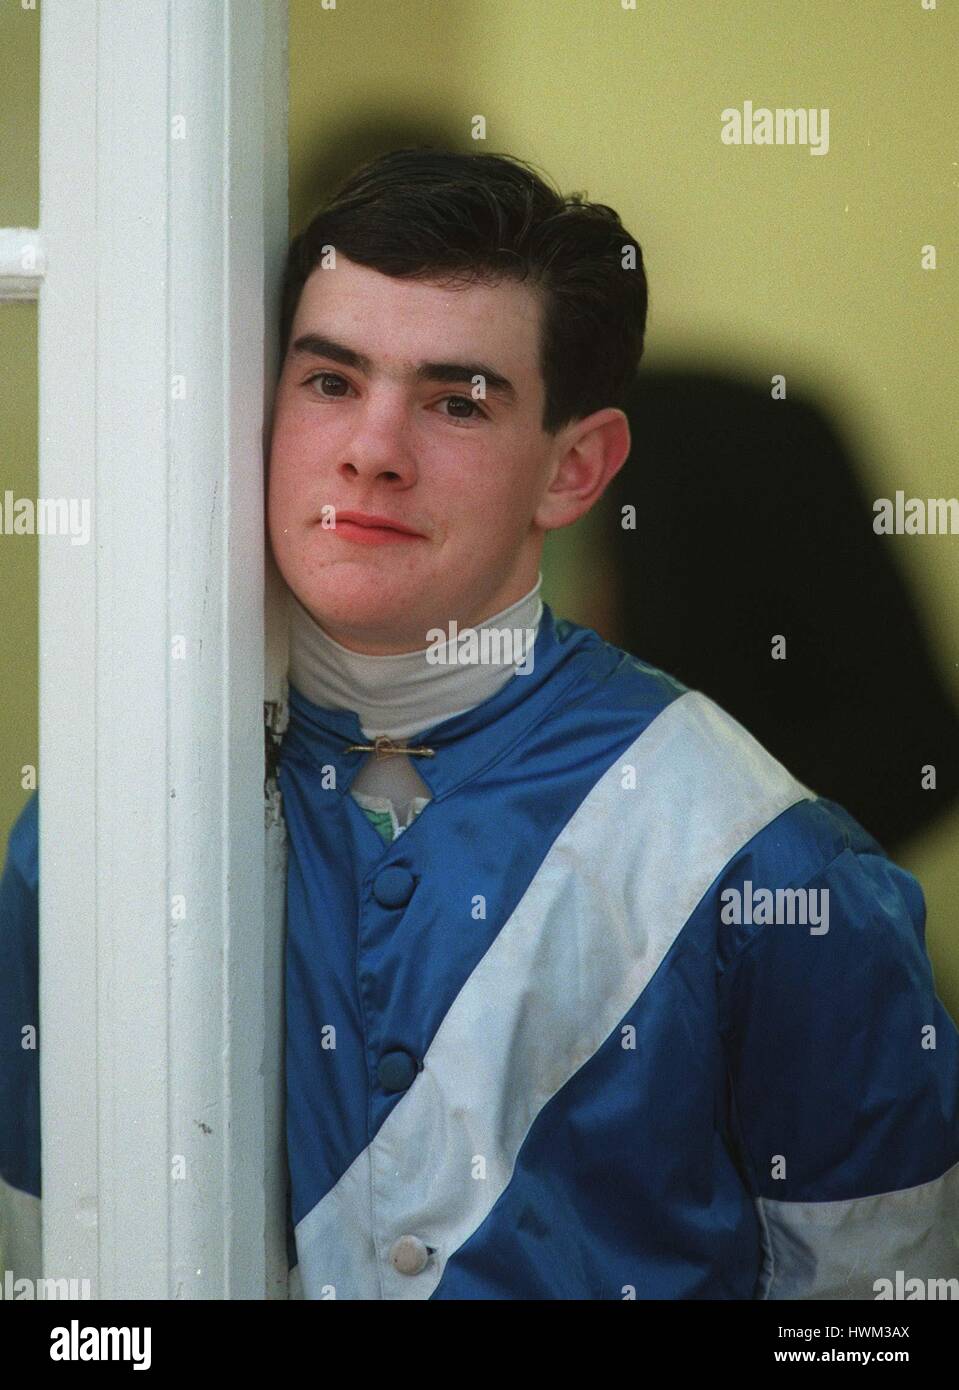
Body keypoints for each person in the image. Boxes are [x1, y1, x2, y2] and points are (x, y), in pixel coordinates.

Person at [4, 148, 959, 1300]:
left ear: (572, 468)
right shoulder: (89, 839)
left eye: (456, 401)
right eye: (328, 381)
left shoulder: (763, 861)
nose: (373, 449)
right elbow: (55, 1286)